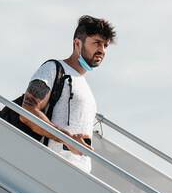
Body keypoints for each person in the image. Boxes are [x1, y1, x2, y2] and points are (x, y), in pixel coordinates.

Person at [15, 15, 115, 173]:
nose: (101, 50)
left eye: (105, 45)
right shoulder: (54, 69)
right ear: (77, 43)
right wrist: (66, 139)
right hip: (52, 170)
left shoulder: (87, 89)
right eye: (96, 42)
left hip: (78, 175)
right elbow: (27, 112)